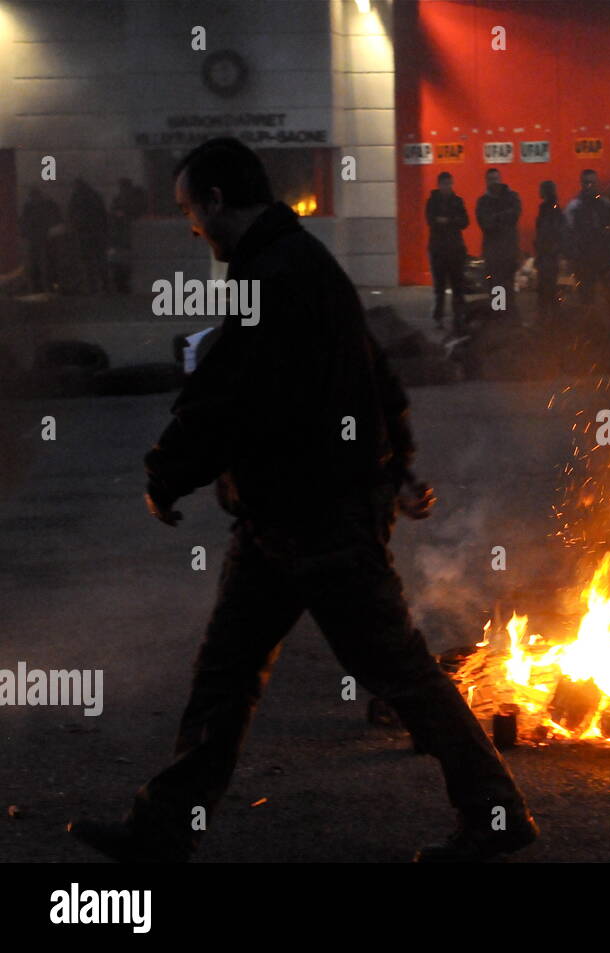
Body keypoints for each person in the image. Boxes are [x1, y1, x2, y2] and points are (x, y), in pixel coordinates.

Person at [66, 137, 537, 864]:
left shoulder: (278, 272)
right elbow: (372, 364)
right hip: (279, 517)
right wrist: (402, 466)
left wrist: (167, 471)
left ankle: (497, 814)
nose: (193, 227)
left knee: (396, 668)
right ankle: (164, 829)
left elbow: (227, 392)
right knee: (224, 676)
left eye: (193, 210)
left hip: (321, 517)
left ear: (218, 200)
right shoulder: (300, 262)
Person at [563, 169, 610, 327]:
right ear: (582, 184)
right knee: (587, 297)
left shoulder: (606, 204)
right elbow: (567, 232)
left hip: (604, 259)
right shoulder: (574, 207)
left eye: (592, 183)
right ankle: (590, 330)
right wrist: (572, 257)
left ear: (597, 183)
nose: (589, 186)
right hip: (584, 259)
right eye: (586, 183)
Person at [425, 171, 469, 331]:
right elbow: (431, 221)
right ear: (439, 185)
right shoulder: (432, 202)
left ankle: (459, 316)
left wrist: (446, 220)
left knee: (457, 285)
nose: (448, 187)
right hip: (438, 250)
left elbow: (465, 221)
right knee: (440, 287)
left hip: (455, 249)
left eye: (450, 184)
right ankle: (439, 318)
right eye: (445, 184)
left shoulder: (457, 201)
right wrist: (453, 221)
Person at [475, 168, 522, 316]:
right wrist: (503, 217)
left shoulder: (512, 197)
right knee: (496, 285)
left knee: (508, 283)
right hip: (493, 251)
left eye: (496, 178)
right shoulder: (483, 201)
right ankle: (499, 314)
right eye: (491, 179)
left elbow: (515, 215)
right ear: (486, 181)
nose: (494, 182)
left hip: (508, 250)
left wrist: (495, 218)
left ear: (500, 179)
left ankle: (509, 314)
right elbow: (485, 224)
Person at [67, 177, 111, 294]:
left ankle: (92, 287)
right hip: (96, 233)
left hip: (84, 233)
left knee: (87, 262)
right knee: (100, 260)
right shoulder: (95, 196)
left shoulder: (76, 197)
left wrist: (74, 227)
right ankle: (105, 286)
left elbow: (71, 214)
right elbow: (102, 215)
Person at [18, 187, 63, 293]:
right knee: (44, 265)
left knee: (36, 265)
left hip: (35, 240)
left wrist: (25, 234)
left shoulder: (28, 208)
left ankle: (36, 288)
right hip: (44, 240)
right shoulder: (47, 206)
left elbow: (24, 224)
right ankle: (45, 287)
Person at [108, 177, 148, 294]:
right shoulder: (134, 198)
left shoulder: (121, 199)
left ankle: (121, 284)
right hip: (125, 234)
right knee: (124, 259)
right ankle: (123, 284)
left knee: (120, 259)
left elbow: (114, 212)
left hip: (121, 234)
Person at [534, 179, 565, 323]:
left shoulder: (547, 208)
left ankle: (547, 318)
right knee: (550, 286)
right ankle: (554, 317)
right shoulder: (555, 208)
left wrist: (542, 248)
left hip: (547, 254)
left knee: (545, 287)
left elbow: (546, 232)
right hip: (550, 253)